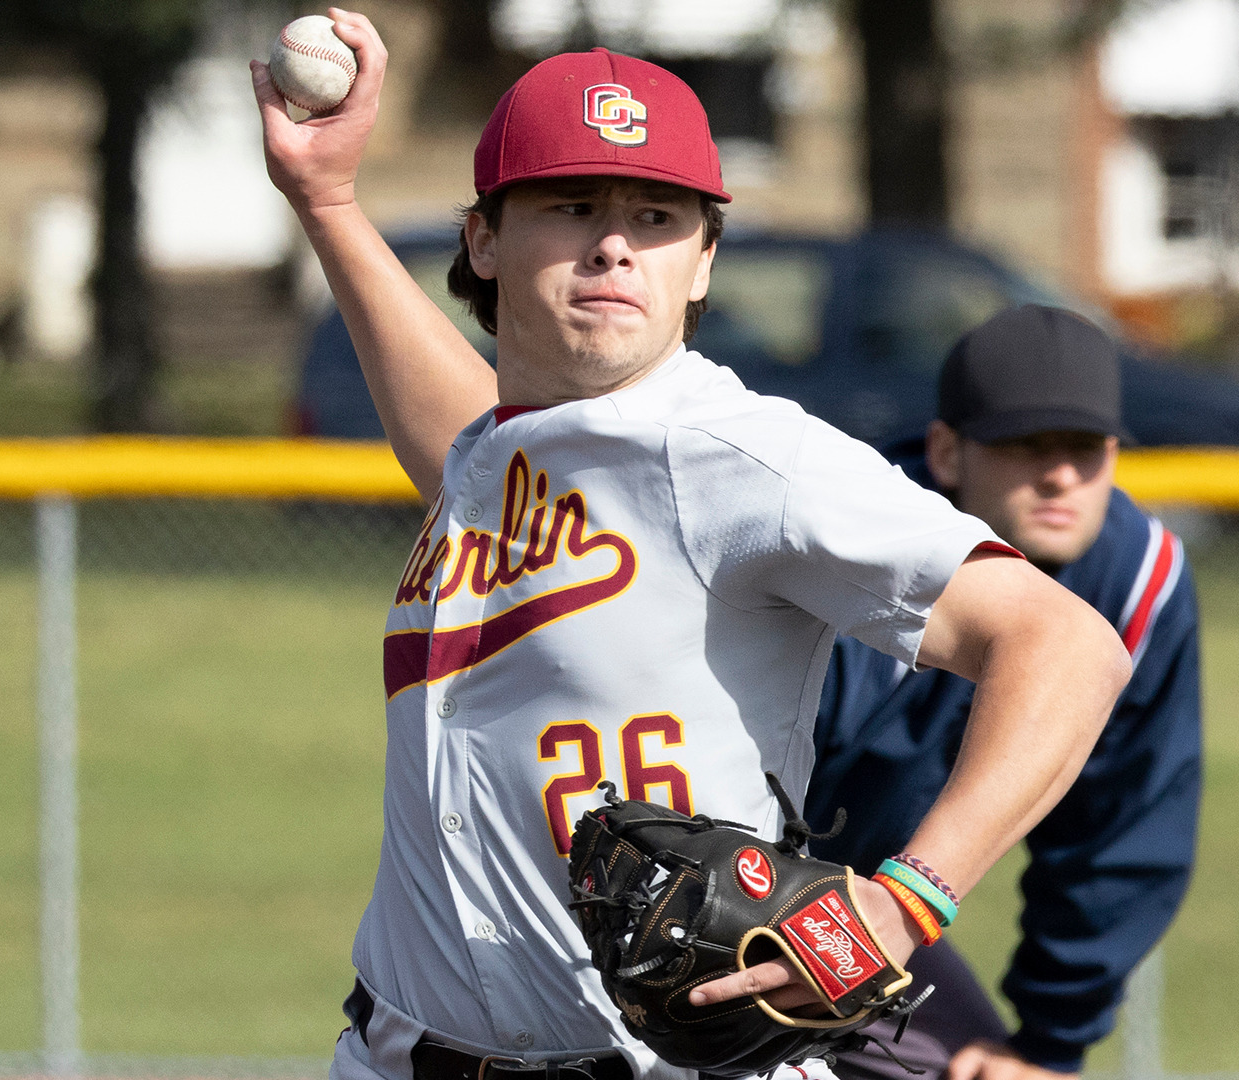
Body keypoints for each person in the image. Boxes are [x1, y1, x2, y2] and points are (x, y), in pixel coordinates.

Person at [250, 14, 1133, 1080]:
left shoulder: (735, 454)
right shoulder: (500, 457)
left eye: (658, 216)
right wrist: (329, 200)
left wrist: (899, 908)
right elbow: (466, 432)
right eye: (572, 205)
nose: (615, 242)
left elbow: (1067, 645)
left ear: (705, 260)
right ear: (482, 240)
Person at [804, 305, 1203, 1080]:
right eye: (1026, 446)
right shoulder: (842, 534)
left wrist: (1051, 1043)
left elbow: (1121, 827)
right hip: (715, 883)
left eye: (1085, 450)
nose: (1060, 475)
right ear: (947, 451)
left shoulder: (1135, 582)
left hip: (876, 911)